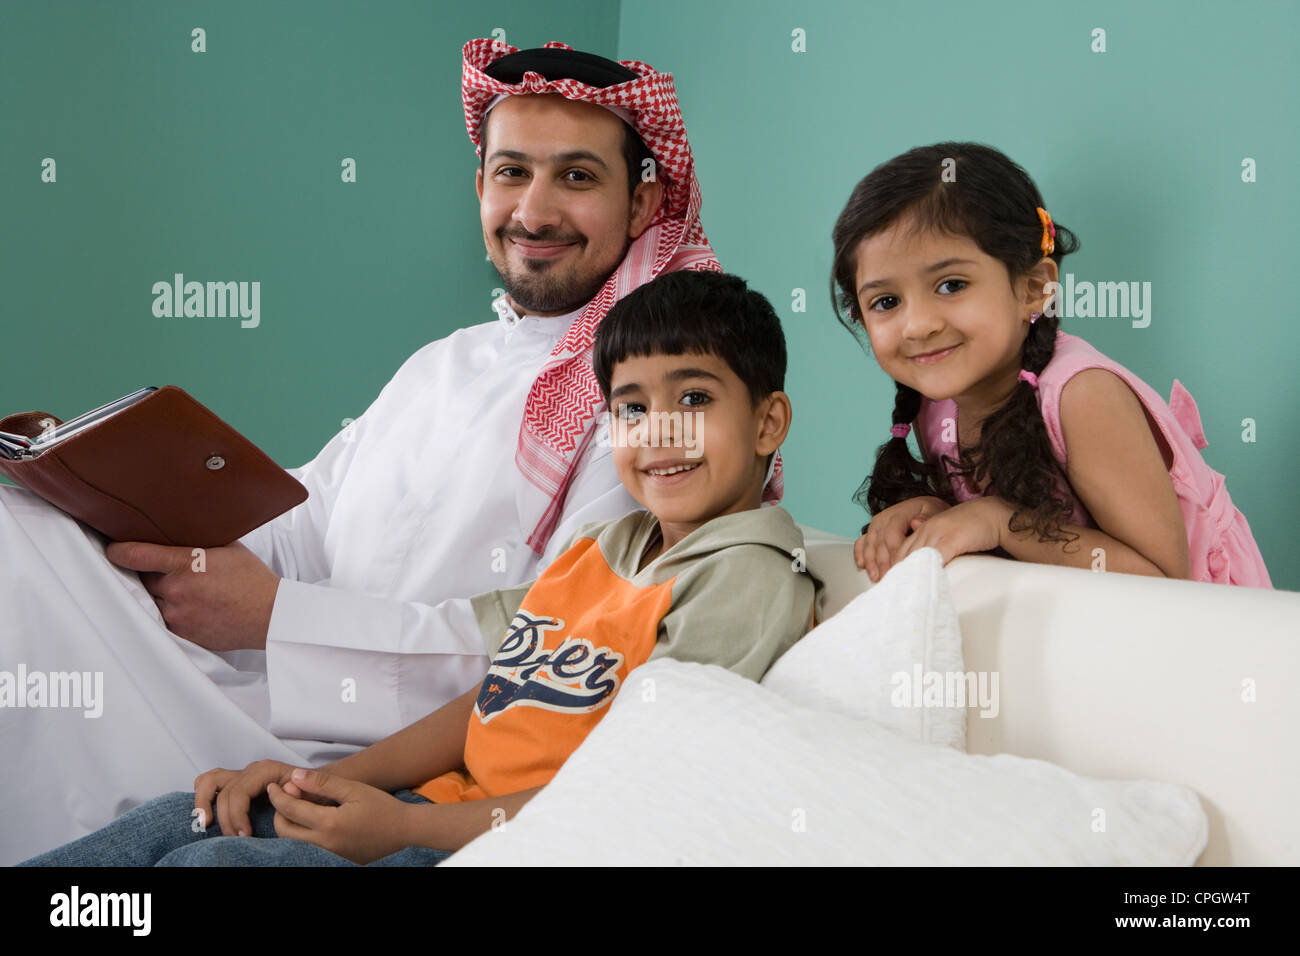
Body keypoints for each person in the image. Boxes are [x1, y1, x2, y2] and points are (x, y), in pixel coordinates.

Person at [0, 39, 785, 865]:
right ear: (480, 186)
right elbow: (303, 524)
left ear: (643, 202)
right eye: (513, 172)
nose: (537, 211)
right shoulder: (441, 363)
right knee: (24, 522)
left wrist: (276, 619)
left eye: (578, 177)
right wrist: (120, 497)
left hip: (374, 743)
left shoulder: (642, 415)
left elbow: (537, 658)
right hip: (266, 686)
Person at [19, 269, 816, 866]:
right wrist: (307, 782)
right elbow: (488, 694)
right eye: (632, 408)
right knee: (174, 820)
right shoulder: (604, 550)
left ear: (768, 421)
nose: (661, 430)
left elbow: (641, 790)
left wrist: (402, 828)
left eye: (697, 399)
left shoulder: (745, 573)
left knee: (216, 863)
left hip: (499, 841)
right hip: (428, 806)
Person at [832, 142, 1270, 588]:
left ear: (1034, 289)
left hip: (1206, 637)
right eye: (886, 301)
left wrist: (997, 521)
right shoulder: (935, 405)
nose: (918, 326)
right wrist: (938, 514)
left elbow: (1160, 577)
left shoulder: (1082, 396)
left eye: (951, 285)